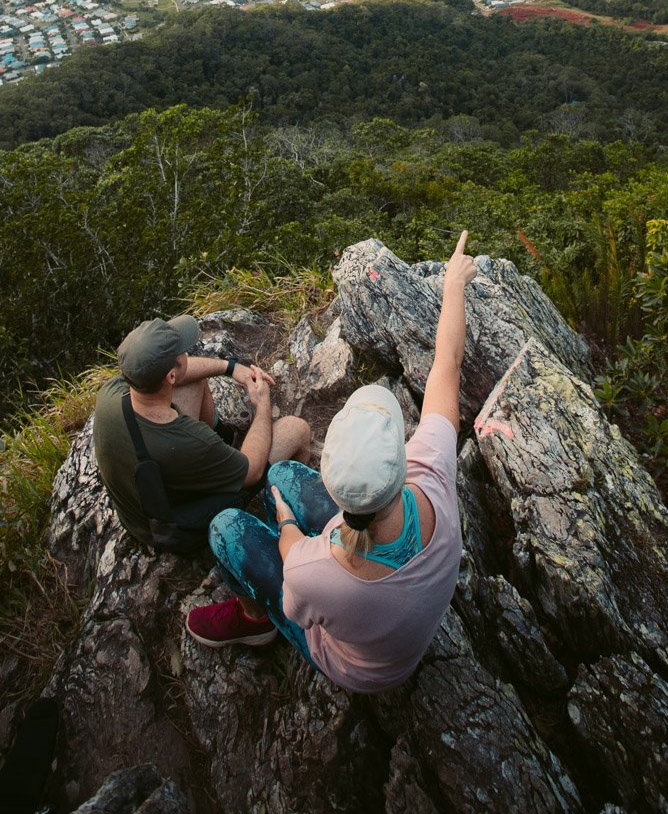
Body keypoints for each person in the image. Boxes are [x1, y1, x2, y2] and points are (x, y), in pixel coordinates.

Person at [185, 232, 477, 690]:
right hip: (402, 612)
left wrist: (287, 524)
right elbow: (448, 362)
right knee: (281, 473)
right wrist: (454, 284)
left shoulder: (315, 573)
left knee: (226, 528)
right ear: (400, 460)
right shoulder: (433, 469)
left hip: (358, 669)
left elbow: (294, 564)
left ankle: (255, 620)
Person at [93, 313, 311, 551]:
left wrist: (229, 367)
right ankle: (293, 510)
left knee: (197, 379)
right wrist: (262, 403)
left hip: (142, 509)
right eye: (182, 352)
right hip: (174, 528)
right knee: (296, 429)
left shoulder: (111, 393)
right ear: (170, 376)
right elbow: (252, 471)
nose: (187, 353)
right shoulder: (188, 440)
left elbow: (183, 373)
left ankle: (224, 443)